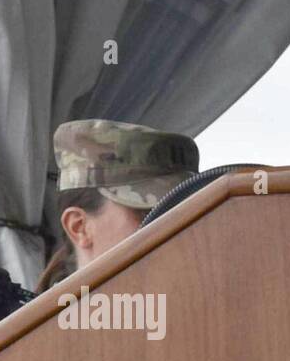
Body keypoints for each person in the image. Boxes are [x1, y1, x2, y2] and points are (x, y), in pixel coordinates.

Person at [35, 120, 199, 292]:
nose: (179, 227)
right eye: (149, 214)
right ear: (79, 227)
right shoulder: (57, 317)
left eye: (187, 212)